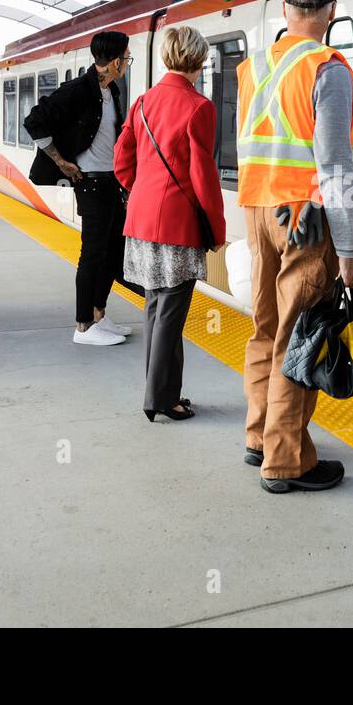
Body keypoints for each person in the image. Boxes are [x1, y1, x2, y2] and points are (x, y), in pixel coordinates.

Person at [237, 0, 353, 494]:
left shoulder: (253, 66)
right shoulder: (327, 68)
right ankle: (286, 461)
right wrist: (348, 248)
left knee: (266, 327)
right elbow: (335, 165)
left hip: (257, 208)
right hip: (304, 218)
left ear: (285, 12)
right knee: (299, 335)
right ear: (330, 12)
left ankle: (259, 435)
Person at [114, 27, 226, 422]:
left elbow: (122, 161)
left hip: (141, 221)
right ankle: (159, 398)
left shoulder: (143, 101)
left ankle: (162, 391)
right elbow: (204, 177)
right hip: (177, 225)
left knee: (155, 307)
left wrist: (143, 190)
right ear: (199, 60)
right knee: (171, 314)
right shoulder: (199, 107)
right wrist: (216, 228)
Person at [24, 30, 134, 346]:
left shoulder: (112, 91)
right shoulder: (76, 91)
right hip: (90, 185)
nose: (126, 62)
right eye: (126, 58)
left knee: (113, 254)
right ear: (116, 61)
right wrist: (61, 161)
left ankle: (98, 314)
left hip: (112, 183)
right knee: (93, 255)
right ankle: (84, 326)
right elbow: (34, 122)